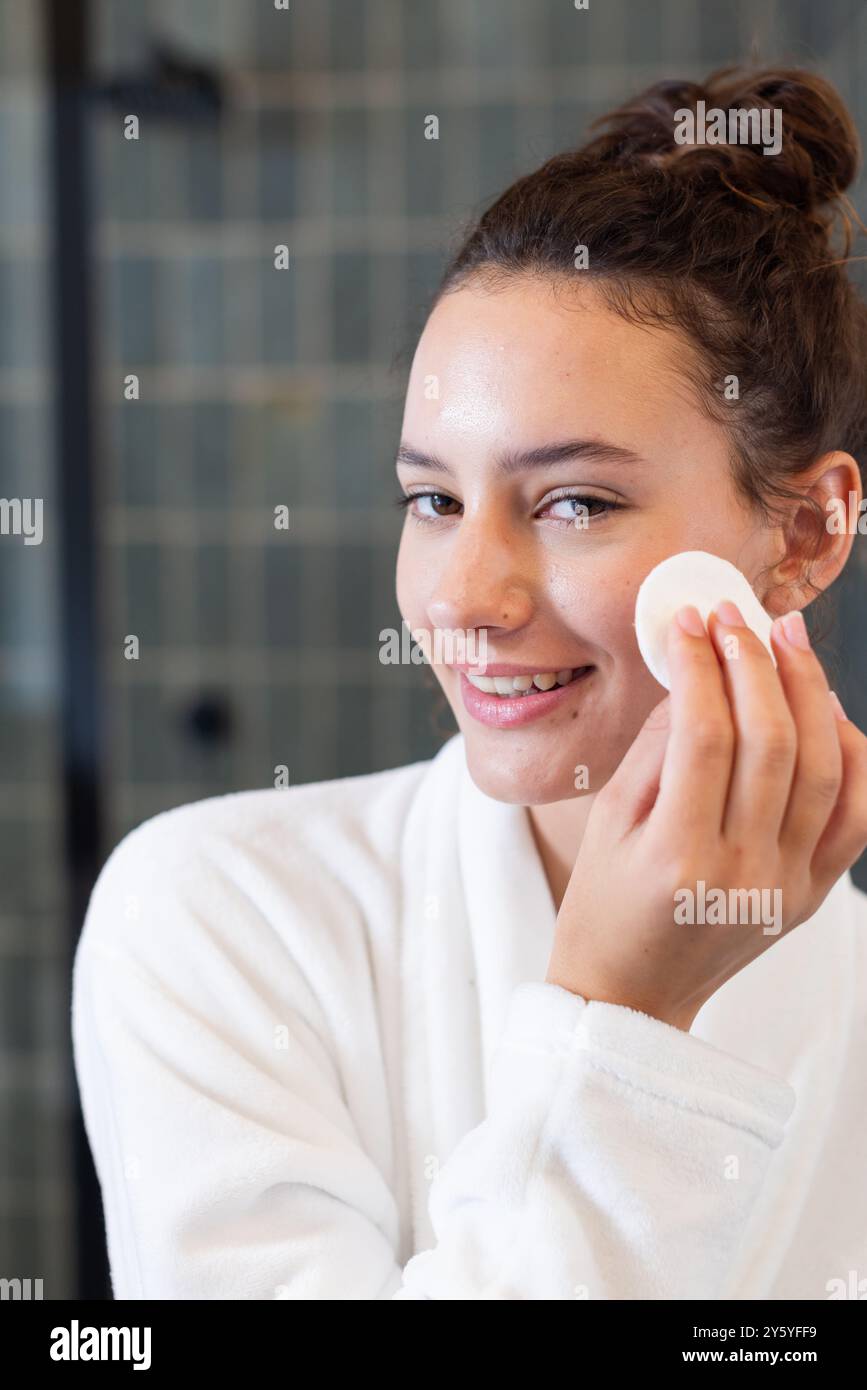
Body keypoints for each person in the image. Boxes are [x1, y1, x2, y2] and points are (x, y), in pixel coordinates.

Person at [72, 66, 867, 1299]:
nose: (464, 598)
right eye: (434, 499)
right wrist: (624, 1022)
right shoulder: (213, 918)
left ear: (810, 532)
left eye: (574, 502)